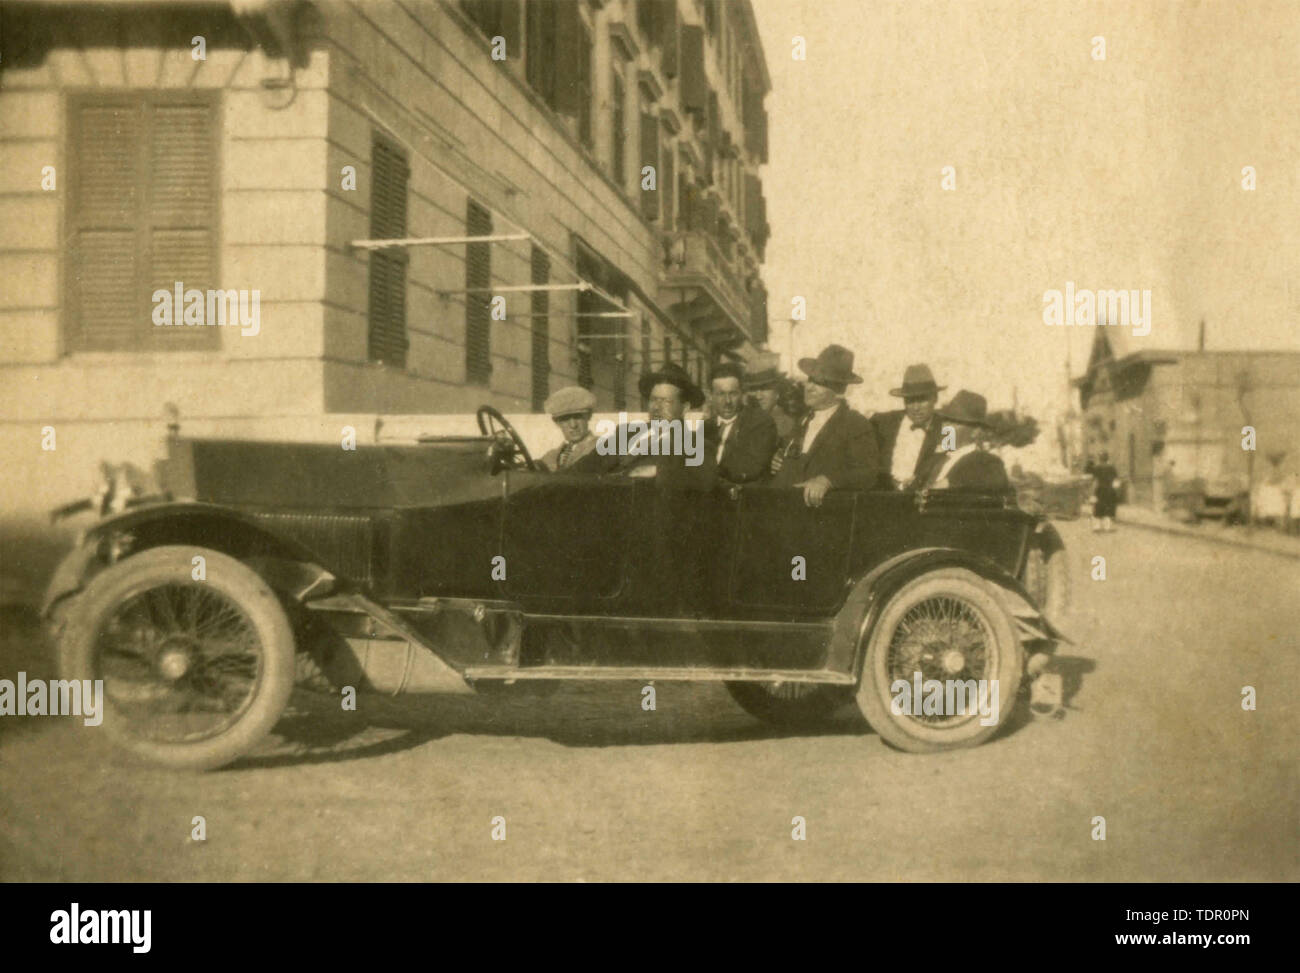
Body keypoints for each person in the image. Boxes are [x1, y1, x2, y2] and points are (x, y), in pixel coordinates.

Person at [771, 344, 881, 507]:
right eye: (810, 380)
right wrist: (779, 459)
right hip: (786, 510)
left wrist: (828, 480)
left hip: (824, 516)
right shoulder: (802, 421)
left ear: (838, 389)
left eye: (819, 382)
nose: (809, 387)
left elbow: (868, 473)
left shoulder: (855, 424)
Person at [916, 390, 1011, 491]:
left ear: (976, 431)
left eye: (955, 423)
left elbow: (997, 481)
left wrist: (951, 483)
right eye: (945, 421)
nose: (945, 428)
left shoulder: (986, 462)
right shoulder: (935, 460)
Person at [871, 363, 947, 490]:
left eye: (922, 400)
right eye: (910, 401)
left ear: (935, 398)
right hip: (882, 496)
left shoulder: (948, 429)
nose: (916, 408)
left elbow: (946, 462)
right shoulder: (881, 422)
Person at [704, 362, 778, 484]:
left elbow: (749, 469)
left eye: (733, 393)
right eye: (720, 394)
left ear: (742, 394)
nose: (727, 401)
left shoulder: (760, 423)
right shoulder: (705, 427)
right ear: (710, 396)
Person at [537, 386, 605, 472]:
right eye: (565, 419)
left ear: (588, 416)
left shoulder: (603, 448)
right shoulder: (551, 456)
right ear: (557, 422)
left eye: (578, 417)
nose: (573, 425)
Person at [1086, 451, 1120, 532]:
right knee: (1108, 508)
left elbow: (1094, 480)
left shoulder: (1097, 467)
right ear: (1107, 458)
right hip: (1109, 490)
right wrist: (1116, 490)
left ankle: (1097, 527)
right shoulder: (1112, 467)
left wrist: (1092, 492)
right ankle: (1107, 527)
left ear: (1100, 459)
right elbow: (1116, 480)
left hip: (1100, 490)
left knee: (1098, 507)